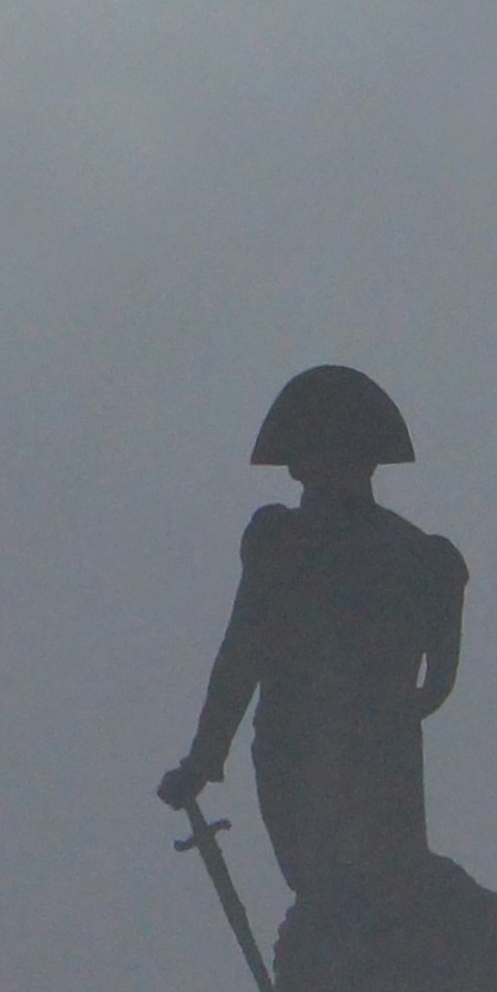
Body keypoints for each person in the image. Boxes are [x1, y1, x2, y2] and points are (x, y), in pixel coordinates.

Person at [157, 363, 467, 913]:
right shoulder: (415, 553)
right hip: (337, 748)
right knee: (351, 905)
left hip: (315, 750)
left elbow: (242, 656)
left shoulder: (291, 544)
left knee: (343, 905)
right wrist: (203, 758)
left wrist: (203, 759)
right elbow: (434, 686)